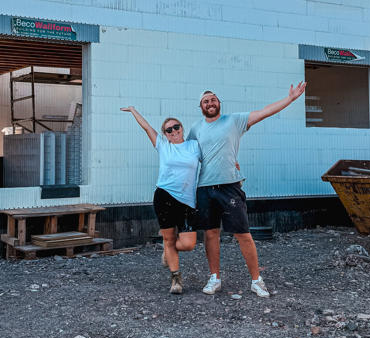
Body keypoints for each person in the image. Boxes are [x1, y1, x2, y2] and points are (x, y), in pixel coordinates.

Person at [187, 84, 306, 298]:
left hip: (230, 186)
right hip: (204, 188)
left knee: (243, 233)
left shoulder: (234, 120)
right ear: (201, 106)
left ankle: (256, 280)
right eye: (206, 101)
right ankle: (215, 278)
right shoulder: (196, 129)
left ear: (219, 103)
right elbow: (187, 157)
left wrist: (290, 99)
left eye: (213, 99)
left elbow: (263, 112)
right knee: (211, 234)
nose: (210, 103)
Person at [121, 106, 202, 294]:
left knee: (188, 244)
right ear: (165, 134)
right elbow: (147, 128)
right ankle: (176, 279)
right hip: (164, 196)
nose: (174, 131)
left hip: (188, 201)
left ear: (182, 128)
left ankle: (168, 250)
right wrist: (133, 111)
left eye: (176, 127)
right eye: (169, 129)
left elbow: (211, 159)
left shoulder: (194, 146)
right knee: (169, 237)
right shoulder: (163, 146)